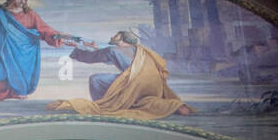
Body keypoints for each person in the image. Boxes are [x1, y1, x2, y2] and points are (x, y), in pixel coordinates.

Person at [50, 30, 193, 119]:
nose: (113, 36)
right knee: (144, 100)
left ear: (123, 40)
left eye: (116, 35)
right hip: (153, 85)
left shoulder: (114, 50)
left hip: (135, 81)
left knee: (95, 79)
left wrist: (77, 48)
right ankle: (175, 106)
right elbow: (114, 59)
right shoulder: (140, 50)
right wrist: (95, 49)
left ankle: (101, 106)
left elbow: (96, 57)